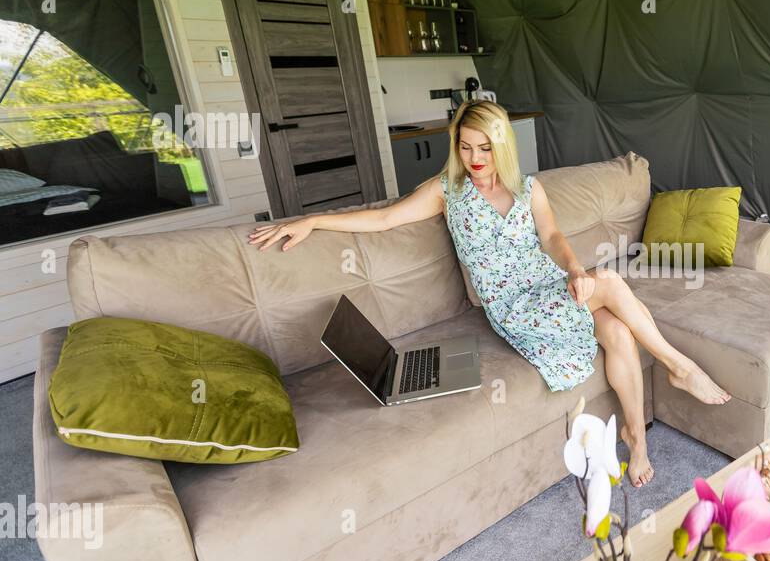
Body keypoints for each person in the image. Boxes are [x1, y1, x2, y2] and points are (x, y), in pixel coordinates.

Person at [247, 99, 730, 487]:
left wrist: (574, 269)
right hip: (513, 305)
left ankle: (634, 437)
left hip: (549, 283)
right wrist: (313, 219)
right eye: (465, 148)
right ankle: (678, 366)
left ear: (503, 147)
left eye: (485, 148)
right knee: (609, 284)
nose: (475, 160)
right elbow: (384, 218)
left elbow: (554, 240)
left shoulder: (529, 189)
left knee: (620, 332)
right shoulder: (445, 191)